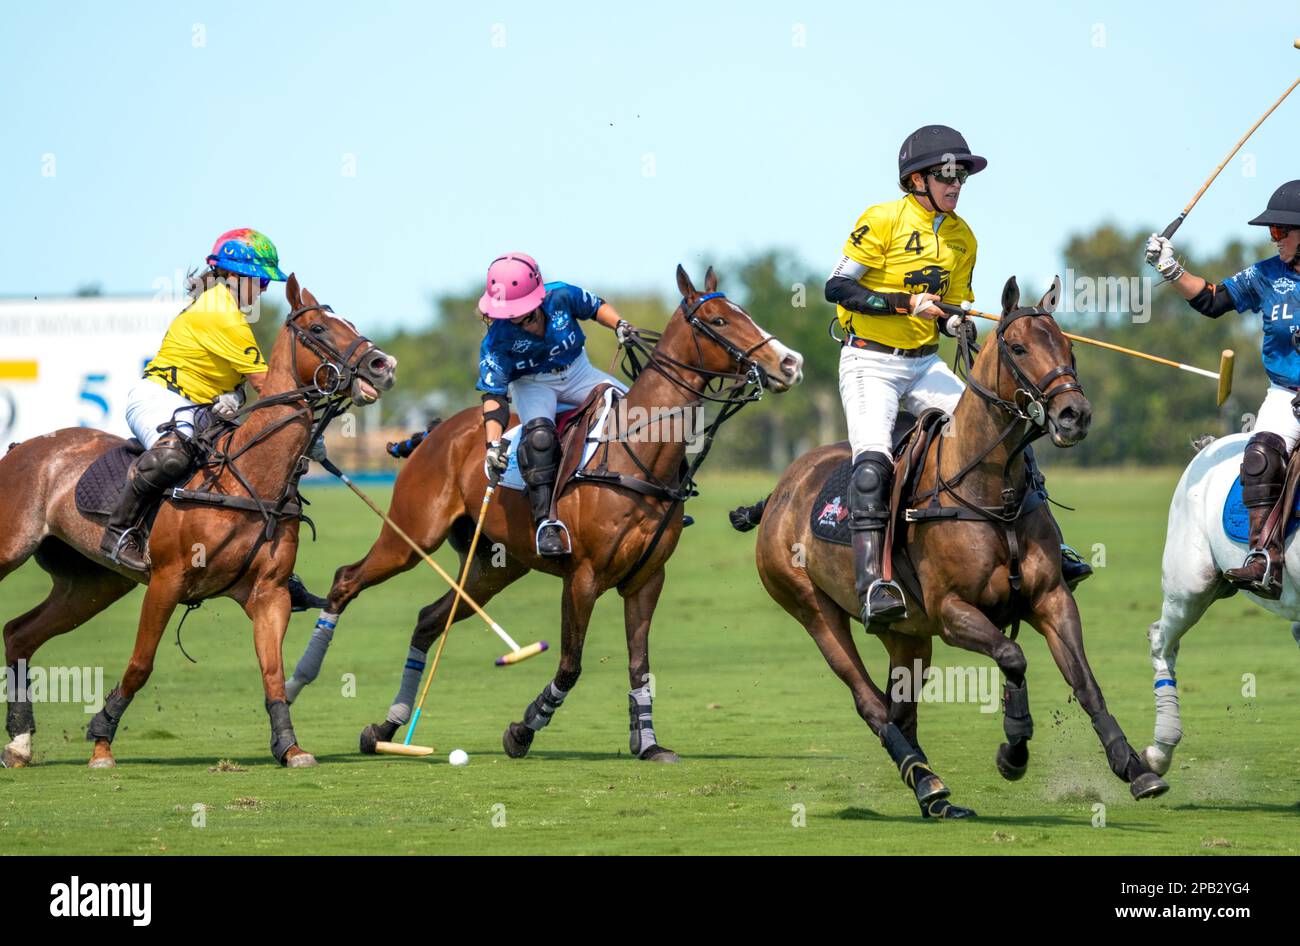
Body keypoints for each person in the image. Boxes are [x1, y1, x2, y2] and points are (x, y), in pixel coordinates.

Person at [824, 125, 1092, 626]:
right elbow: (836, 287)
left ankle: (1051, 545)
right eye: (947, 176)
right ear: (917, 180)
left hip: (924, 361)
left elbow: (951, 307)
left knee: (1001, 434)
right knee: (871, 466)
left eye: (961, 177)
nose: (956, 185)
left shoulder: (963, 237)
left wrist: (952, 318)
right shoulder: (880, 220)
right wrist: (904, 303)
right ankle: (872, 584)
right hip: (870, 361)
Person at [99, 228, 324, 610]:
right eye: (260, 279)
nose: (266, 288)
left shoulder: (232, 313)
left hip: (200, 408)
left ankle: (267, 562)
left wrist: (231, 397)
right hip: (161, 399)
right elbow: (268, 387)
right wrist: (315, 412)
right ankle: (119, 533)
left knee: (250, 461)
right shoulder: (220, 313)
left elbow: (242, 387)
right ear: (235, 277)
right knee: (174, 455)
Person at [1145, 180, 1300, 598]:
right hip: (1288, 395)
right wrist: (1169, 268)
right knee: (1261, 455)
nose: (1276, 239)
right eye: (1273, 232)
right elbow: (1212, 301)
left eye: (1282, 231)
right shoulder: (1266, 275)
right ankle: (1264, 557)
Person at [476, 253, 632, 556]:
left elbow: (595, 306)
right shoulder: (496, 341)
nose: (516, 321)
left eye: (522, 313)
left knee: (637, 413)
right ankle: (546, 523)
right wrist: (493, 445)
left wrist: (619, 325)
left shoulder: (560, 294)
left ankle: (653, 500)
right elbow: (494, 398)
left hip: (578, 371)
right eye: (508, 315)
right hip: (534, 384)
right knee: (539, 439)